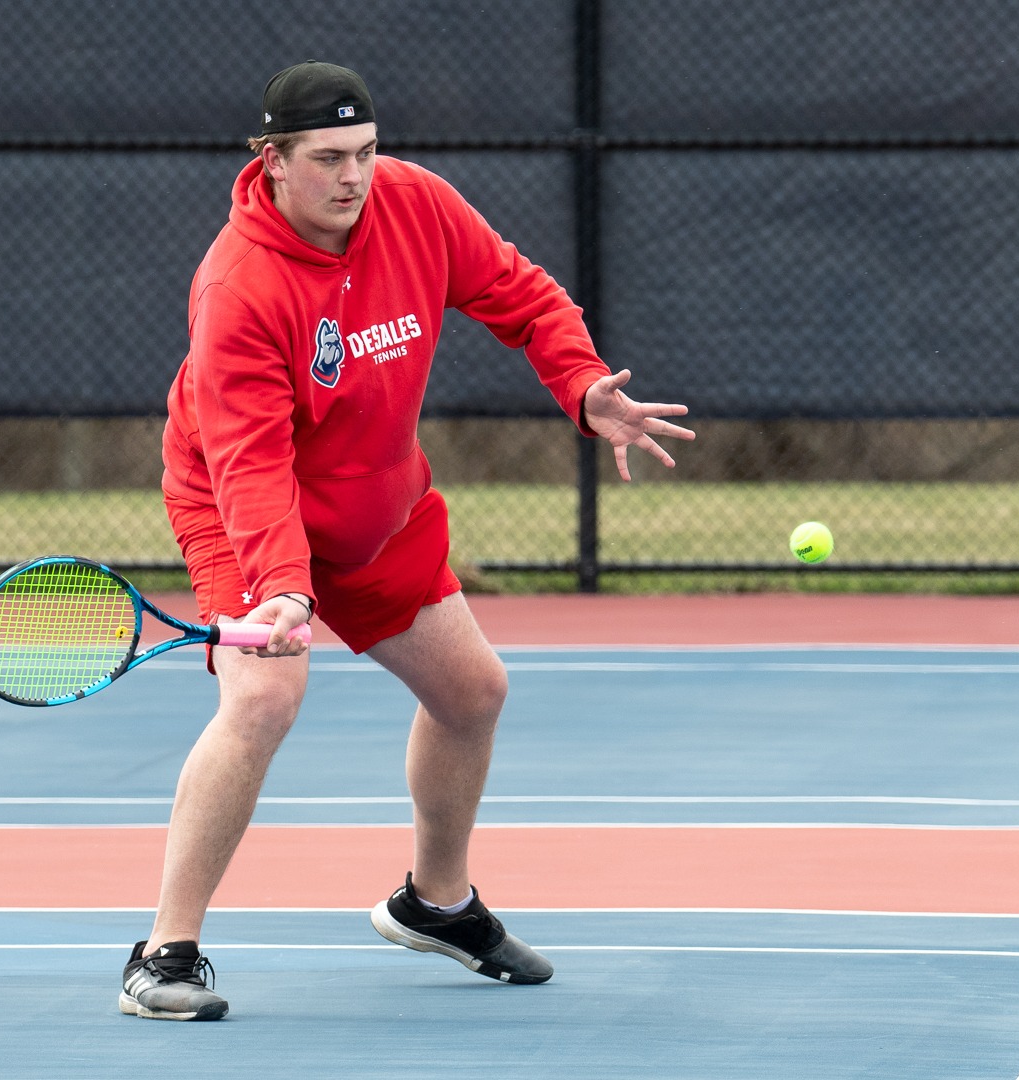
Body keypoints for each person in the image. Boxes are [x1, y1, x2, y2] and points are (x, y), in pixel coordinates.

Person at [123, 61, 693, 1021]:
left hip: (377, 503)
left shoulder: (416, 204)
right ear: (272, 159)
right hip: (239, 507)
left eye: (366, 151)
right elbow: (249, 462)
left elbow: (520, 294)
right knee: (262, 700)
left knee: (473, 693)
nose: (354, 176)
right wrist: (284, 586)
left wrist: (581, 385)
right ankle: (164, 955)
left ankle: (436, 904)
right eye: (328, 157)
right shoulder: (237, 286)